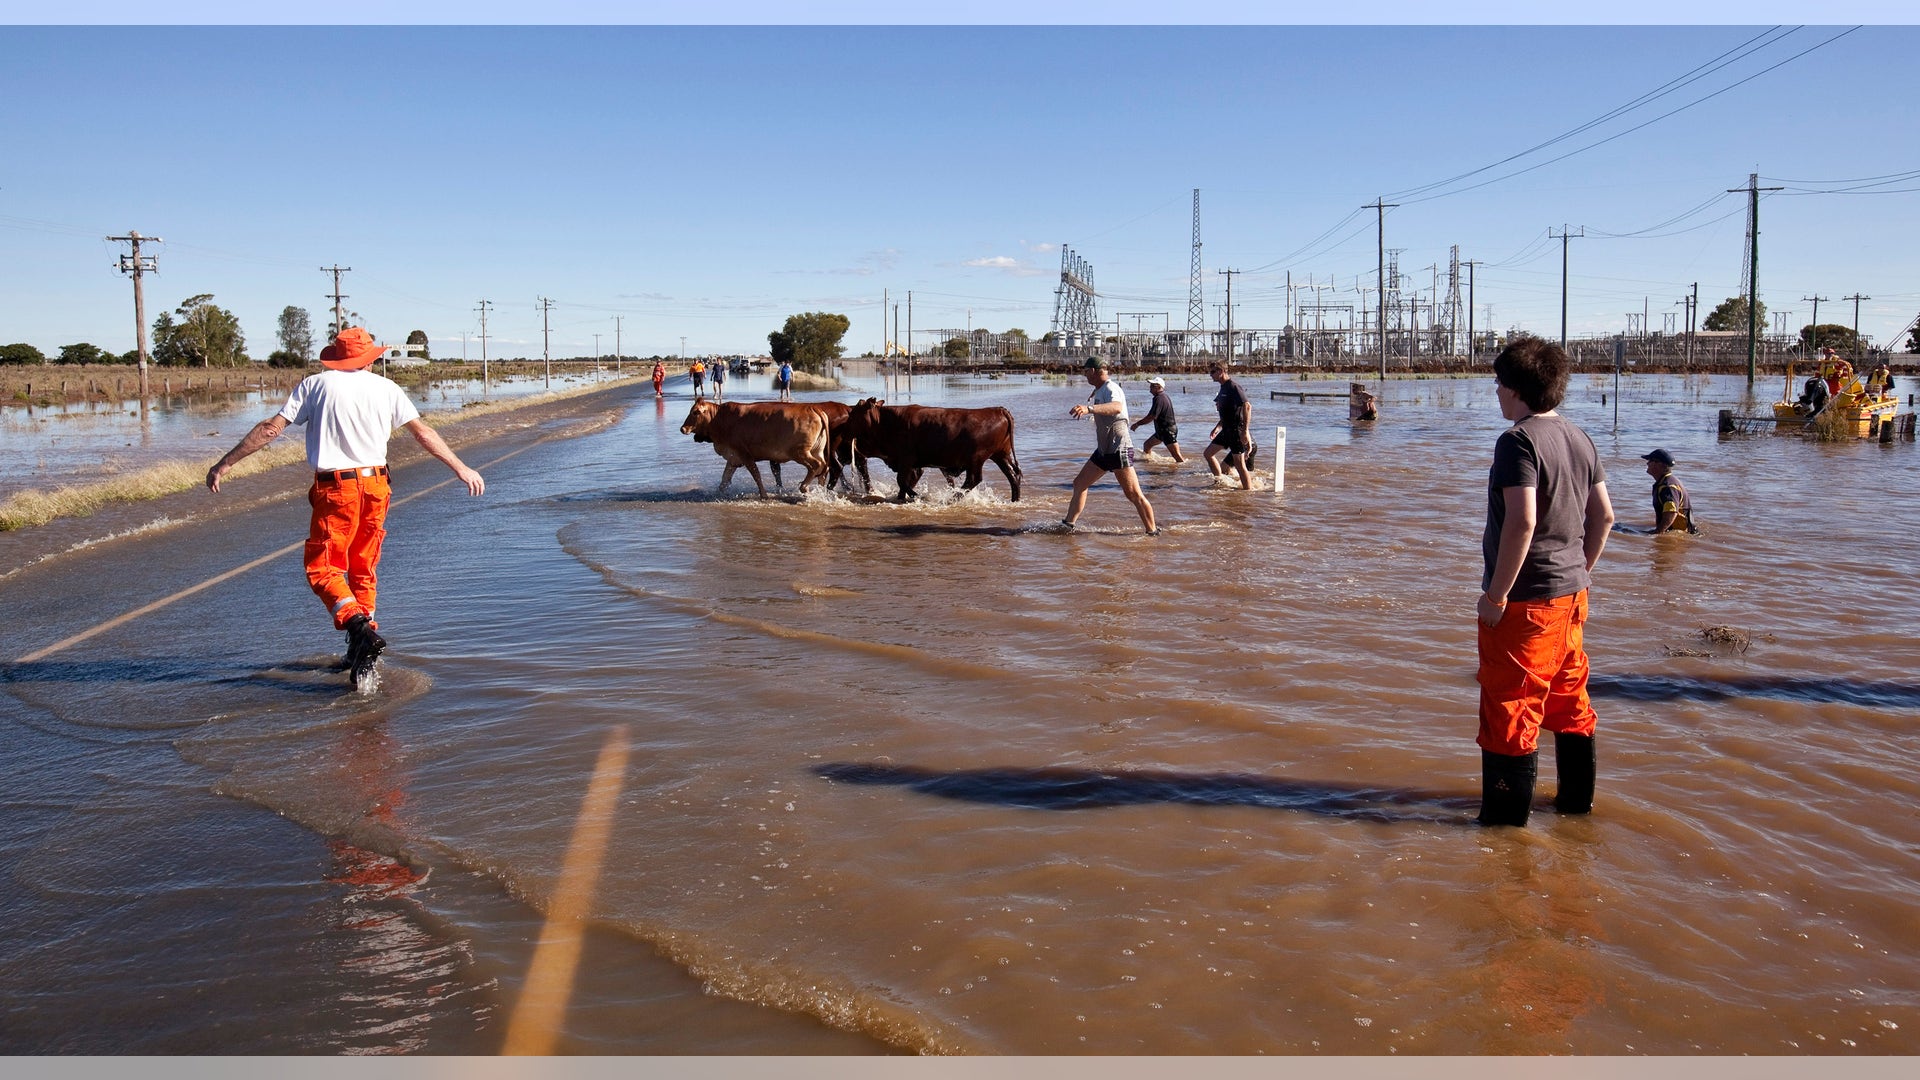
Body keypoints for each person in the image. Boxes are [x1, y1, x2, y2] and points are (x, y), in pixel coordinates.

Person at [205, 327, 485, 685]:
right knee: (362, 567)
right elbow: (422, 433)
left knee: (322, 569)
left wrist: (225, 463)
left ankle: (358, 628)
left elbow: (270, 430)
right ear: (370, 358)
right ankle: (360, 653)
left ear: (336, 358)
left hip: (337, 488)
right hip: (377, 484)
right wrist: (461, 468)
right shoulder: (387, 388)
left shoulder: (315, 385)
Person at [1475, 336, 1614, 827]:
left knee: (1510, 709)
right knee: (1569, 701)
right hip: (1572, 595)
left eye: (1498, 382)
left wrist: (1497, 595)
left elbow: (1523, 522)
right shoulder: (1580, 437)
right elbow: (1605, 517)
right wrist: (1580, 571)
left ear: (1515, 389)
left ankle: (1503, 830)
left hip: (1527, 603)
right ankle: (1576, 810)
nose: (1495, 391)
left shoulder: (1518, 441)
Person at [1063, 358, 1157, 535]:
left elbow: (1116, 407)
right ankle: (1068, 525)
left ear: (1095, 371)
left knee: (1133, 495)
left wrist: (1089, 409)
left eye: (1086, 371)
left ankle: (1152, 532)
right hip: (1103, 450)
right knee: (1079, 483)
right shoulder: (1100, 389)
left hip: (1118, 448)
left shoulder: (1111, 388)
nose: (1084, 374)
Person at [1203, 362, 1253, 489]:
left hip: (1236, 430)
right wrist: (1218, 427)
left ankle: (1249, 492)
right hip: (1226, 430)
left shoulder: (1233, 387)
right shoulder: (1223, 387)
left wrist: (1245, 431)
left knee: (1240, 465)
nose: (1210, 375)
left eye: (1213, 372)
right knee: (1208, 454)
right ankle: (1220, 481)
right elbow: (1226, 411)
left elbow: (1247, 406)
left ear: (1221, 371)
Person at [1641, 448, 1697, 534]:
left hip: (1680, 536)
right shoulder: (1666, 482)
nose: (1647, 463)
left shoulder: (1668, 487)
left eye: (1650, 460)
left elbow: (1671, 512)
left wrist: (1657, 532)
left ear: (1659, 464)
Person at [1131, 375, 1185, 462]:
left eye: (1152, 386)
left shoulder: (1159, 398)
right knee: (1147, 445)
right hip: (1161, 431)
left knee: (1177, 457)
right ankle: (1150, 464)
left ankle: (1183, 472)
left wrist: (1137, 424)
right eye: (1151, 385)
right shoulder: (1161, 397)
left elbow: (1151, 416)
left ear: (1158, 387)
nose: (1150, 387)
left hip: (1167, 431)